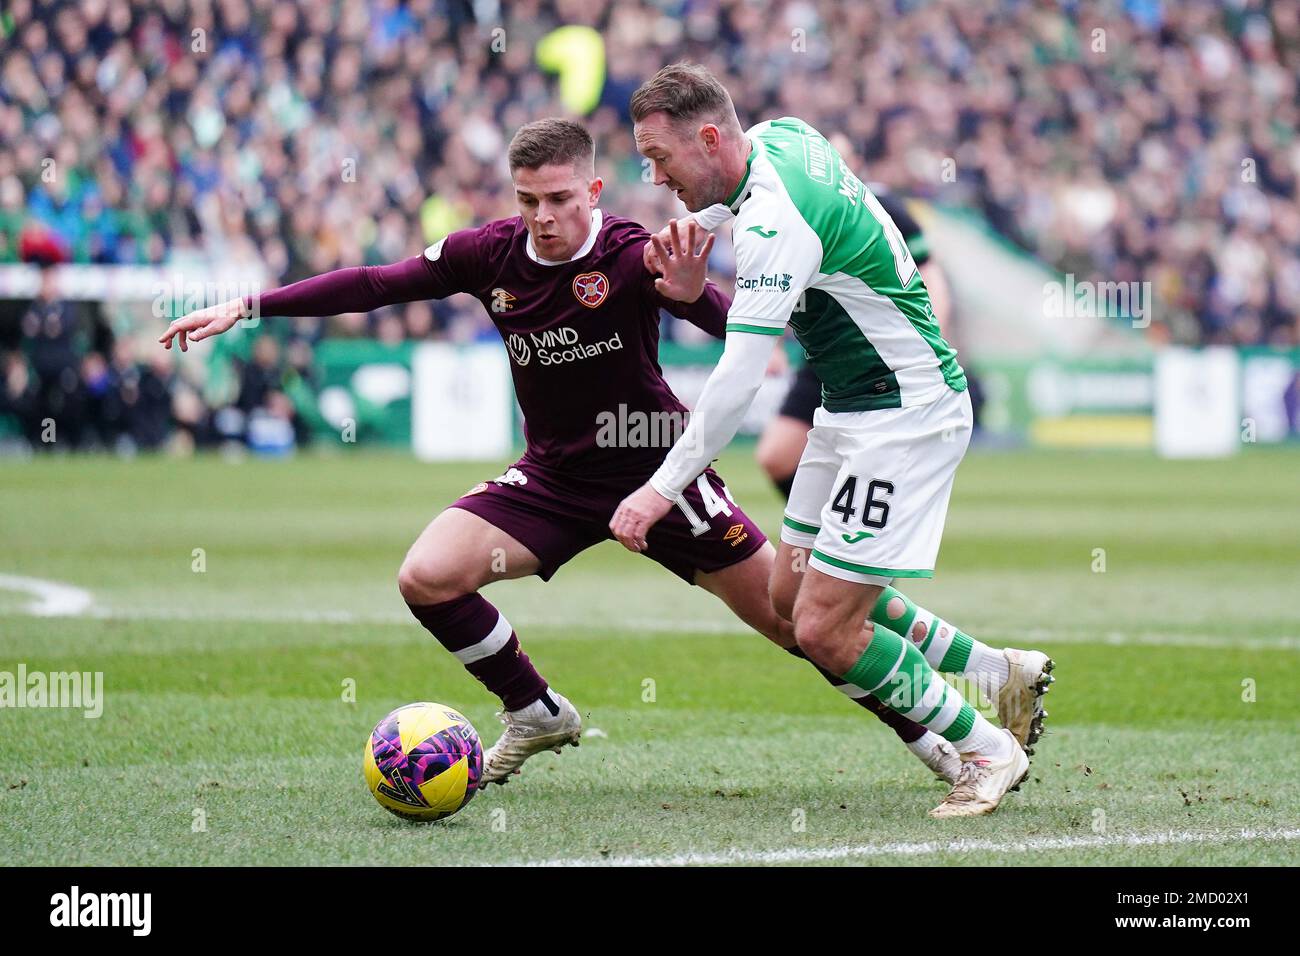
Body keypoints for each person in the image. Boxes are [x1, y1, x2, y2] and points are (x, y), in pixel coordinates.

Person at [160, 119, 960, 795]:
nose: (542, 217)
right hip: (550, 479)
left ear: (593, 193)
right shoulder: (489, 254)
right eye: (528, 200)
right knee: (427, 577)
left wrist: (688, 294)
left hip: (655, 474)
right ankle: (537, 712)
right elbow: (376, 283)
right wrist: (252, 304)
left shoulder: (636, 252)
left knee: (791, 623)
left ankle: (940, 744)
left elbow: (746, 333)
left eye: (559, 200)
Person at [612, 64, 1054, 817]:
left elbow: (738, 380)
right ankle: (993, 670)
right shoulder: (784, 135)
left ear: (711, 137)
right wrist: (702, 236)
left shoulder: (775, 228)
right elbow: (756, 200)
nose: (653, 177)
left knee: (821, 626)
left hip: (904, 416)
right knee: (790, 598)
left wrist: (660, 490)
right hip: (851, 407)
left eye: (660, 158)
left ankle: (986, 749)